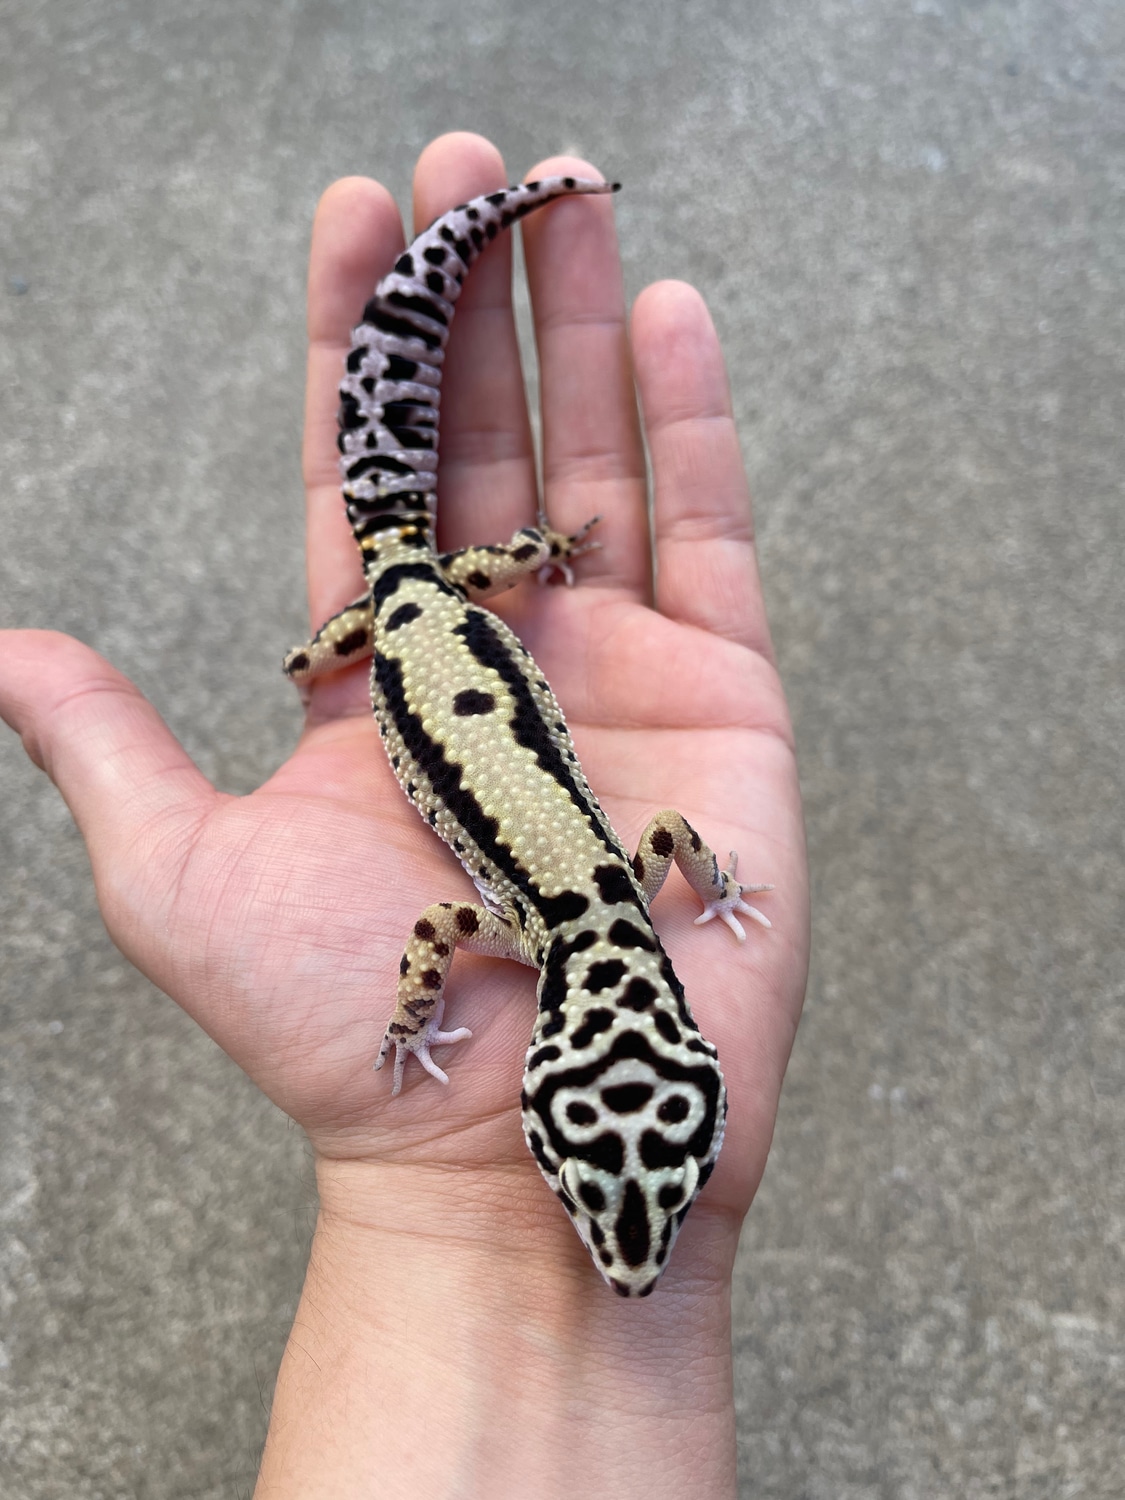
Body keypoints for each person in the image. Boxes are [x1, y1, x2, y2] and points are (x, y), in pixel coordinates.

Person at [0, 133, 809, 1497]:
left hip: (422, 601)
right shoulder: (548, 924)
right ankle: (469, 246)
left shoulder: (575, 913)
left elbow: (578, 875)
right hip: (409, 607)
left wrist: (700, 889)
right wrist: (417, 1005)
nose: (629, 1251)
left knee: (391, 552)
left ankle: (473, 260)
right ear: (677, 1058)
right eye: (630, 1189)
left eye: (616, 1193)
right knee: (384, 573)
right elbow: (461, 912)